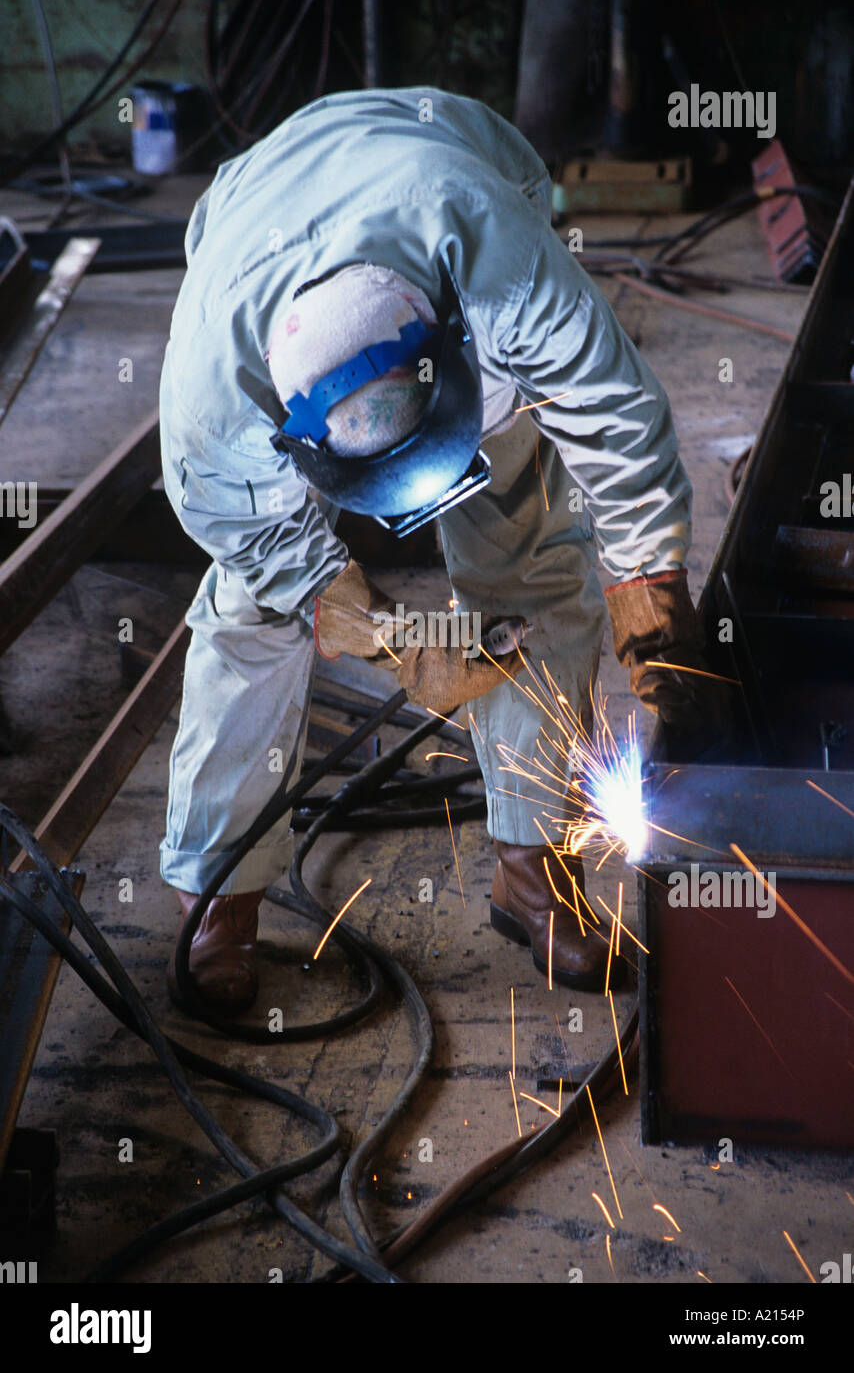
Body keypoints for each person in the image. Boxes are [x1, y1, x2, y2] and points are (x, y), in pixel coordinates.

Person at [159, 87, 723, 1015]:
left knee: (535, 546)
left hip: (441, 152)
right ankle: (218, 889)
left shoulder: (500, 268)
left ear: (451, 346)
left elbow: (614, 414)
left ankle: (530, 866)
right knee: (253, 608)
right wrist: (386, 636)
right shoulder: (211, 406)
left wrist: (650, 587)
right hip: (257, 209)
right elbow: (263, 544)